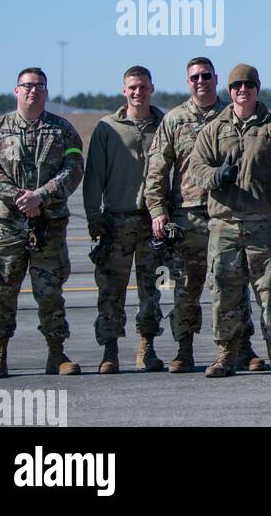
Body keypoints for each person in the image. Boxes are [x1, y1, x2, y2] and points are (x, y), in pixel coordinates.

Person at [145, 56, 262, 373]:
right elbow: (157, 170)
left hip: (227, 213)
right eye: (195, 77)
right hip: (189, 215)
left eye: (206, 76)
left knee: (233, 285)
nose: (201, 82)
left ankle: (241, 347)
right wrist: (157, 210)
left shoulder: (232, 116)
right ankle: (184, 348)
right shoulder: (174, 120)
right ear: (188, 82)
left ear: (215, 78)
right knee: (186, 286)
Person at [189, 64, 271, 377]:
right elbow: (196, 167)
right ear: (230, 90)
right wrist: (216, 176)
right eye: (238, 85)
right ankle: (226, 353)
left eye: (249, 84)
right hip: (225, 225)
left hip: (265, 225)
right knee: (224, 293)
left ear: (257, 87)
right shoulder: (214, 128)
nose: (244, 90)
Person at [0, 67, 83, 378]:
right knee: (2, 290)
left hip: (47, 225)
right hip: (8, 226)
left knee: (50, 292)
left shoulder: (63, 130)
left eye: (38, 86)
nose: (32, 91)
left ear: (46, 91)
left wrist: (42, 196)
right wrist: (20, 198)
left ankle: (57, 353)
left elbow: (74, 168)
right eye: (26, 86)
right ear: (16, 91)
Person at [83, 65, 167, 374]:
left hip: (154, 223)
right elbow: (94, 177)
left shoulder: (166, 124)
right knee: (110, 291)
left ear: (151, 88)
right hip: (116, 221)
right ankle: (110, 349)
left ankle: (148, 346)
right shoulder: (107, 128)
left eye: (143, 86)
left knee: (152, 288)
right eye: (132, 87)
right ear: (124, 90)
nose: (138, 91)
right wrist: (94, 217)